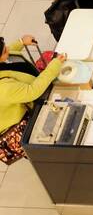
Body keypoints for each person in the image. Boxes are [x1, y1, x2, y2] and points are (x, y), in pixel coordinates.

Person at [0, 34, 66, 164]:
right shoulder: (3, 89)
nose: (8, 49)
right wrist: (54, 65)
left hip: (20, 102)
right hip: (20, 123)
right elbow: (32, 91)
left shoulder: (3, 58)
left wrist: (20, 42)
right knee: (43, 145)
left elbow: (7, 54)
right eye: (5, 50)